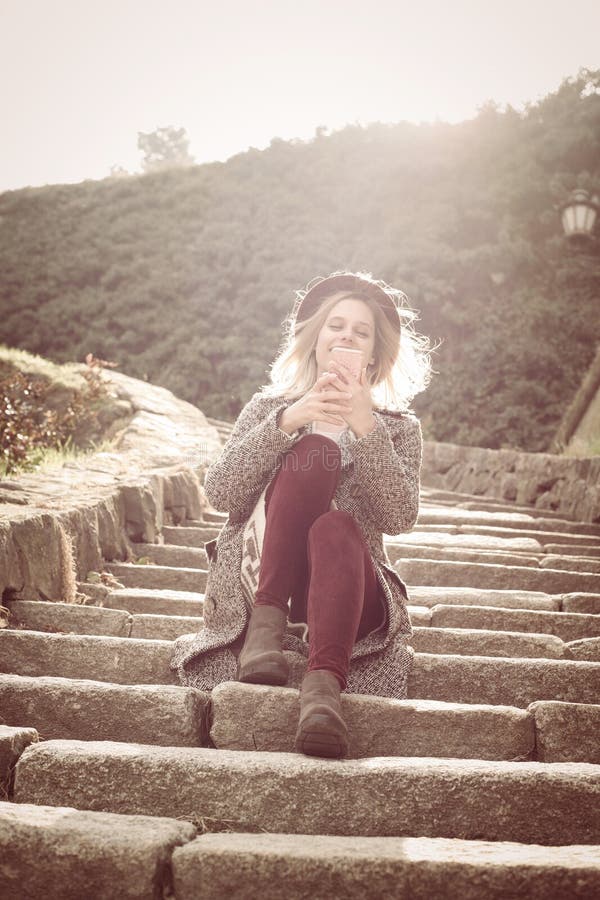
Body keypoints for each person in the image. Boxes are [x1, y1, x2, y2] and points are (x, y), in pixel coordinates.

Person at [170, 271, 432, 759]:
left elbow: (399, 517)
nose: (346, 337)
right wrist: (291, 420)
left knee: (336, 525)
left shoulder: (397, 429)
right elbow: (221, 493)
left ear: (373, 355)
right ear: (315, 338)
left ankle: (323, 694)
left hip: (348, 591)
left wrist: (364, 426)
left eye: (361, 332)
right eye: (336, 325)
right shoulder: (268, 408)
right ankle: (263, 631)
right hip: (259, 579)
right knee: (316, 452)